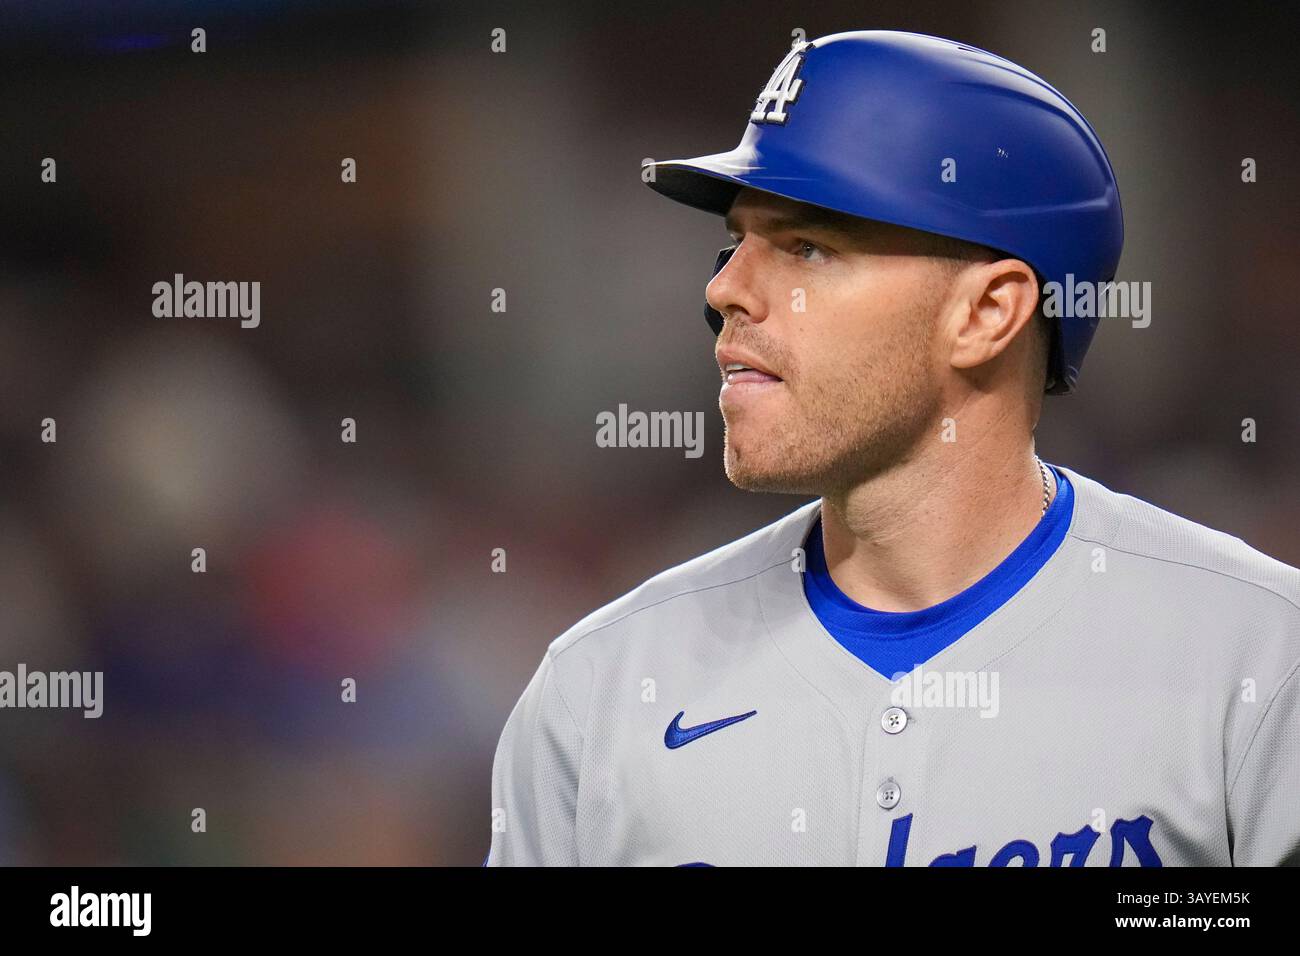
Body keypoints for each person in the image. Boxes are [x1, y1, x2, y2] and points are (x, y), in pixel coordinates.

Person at [484, 30, 1299, 866]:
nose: (723, 287)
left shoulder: (1261, 658)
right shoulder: (597, 691)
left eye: (807, 247)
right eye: (737, 242)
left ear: (986, 314)